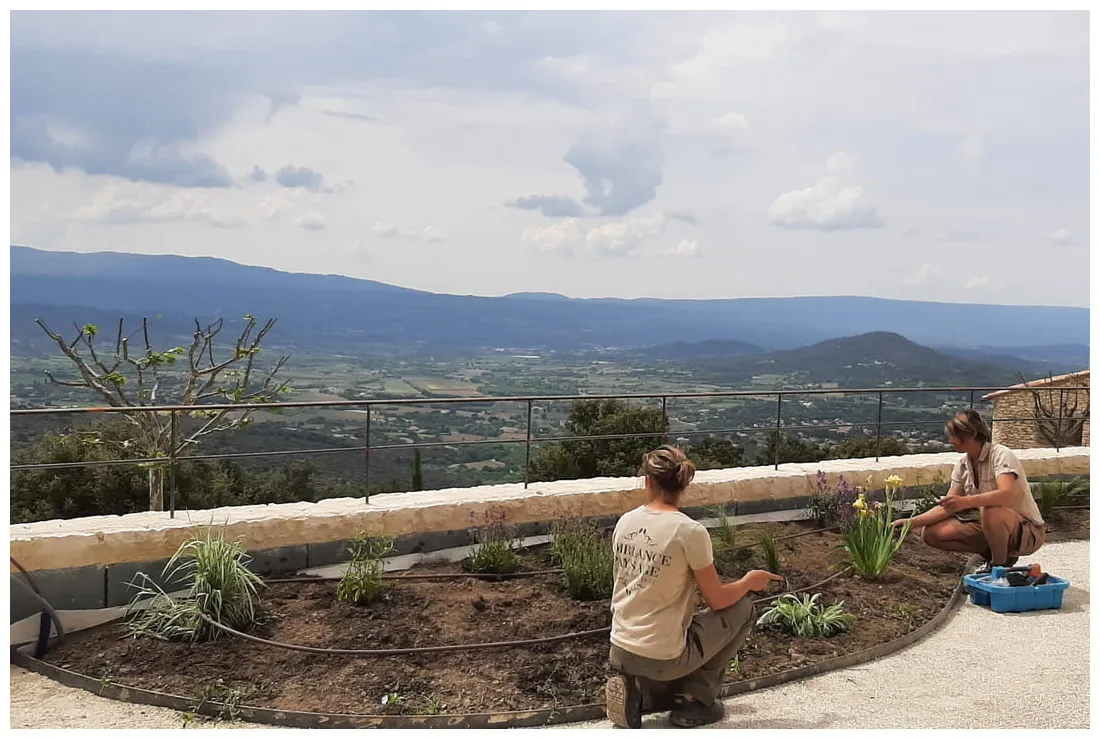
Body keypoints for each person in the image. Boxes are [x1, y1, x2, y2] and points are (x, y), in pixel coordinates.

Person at [605, 445, 782, 729]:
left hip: (620, 648)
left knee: (667, 637)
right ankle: (695, 698)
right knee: (744, 609)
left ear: (648, 481)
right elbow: (718, 600)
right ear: (683, 484)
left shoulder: (625, 522)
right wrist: (749, 581)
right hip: (661, 655)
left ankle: (639, 693)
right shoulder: (689, 532)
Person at [892, 409, 1045, 571]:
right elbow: (948, 507)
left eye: (954, 435)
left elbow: (1006, 495)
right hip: (992, 525)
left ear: (971, 434)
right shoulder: (963, 465)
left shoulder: (1001, 455)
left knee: (990, 509)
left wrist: (964, 502)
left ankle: (998, 567)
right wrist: (910, 523)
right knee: (931, 534)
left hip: (1027, 531)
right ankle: (993, 553)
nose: (951, 441)